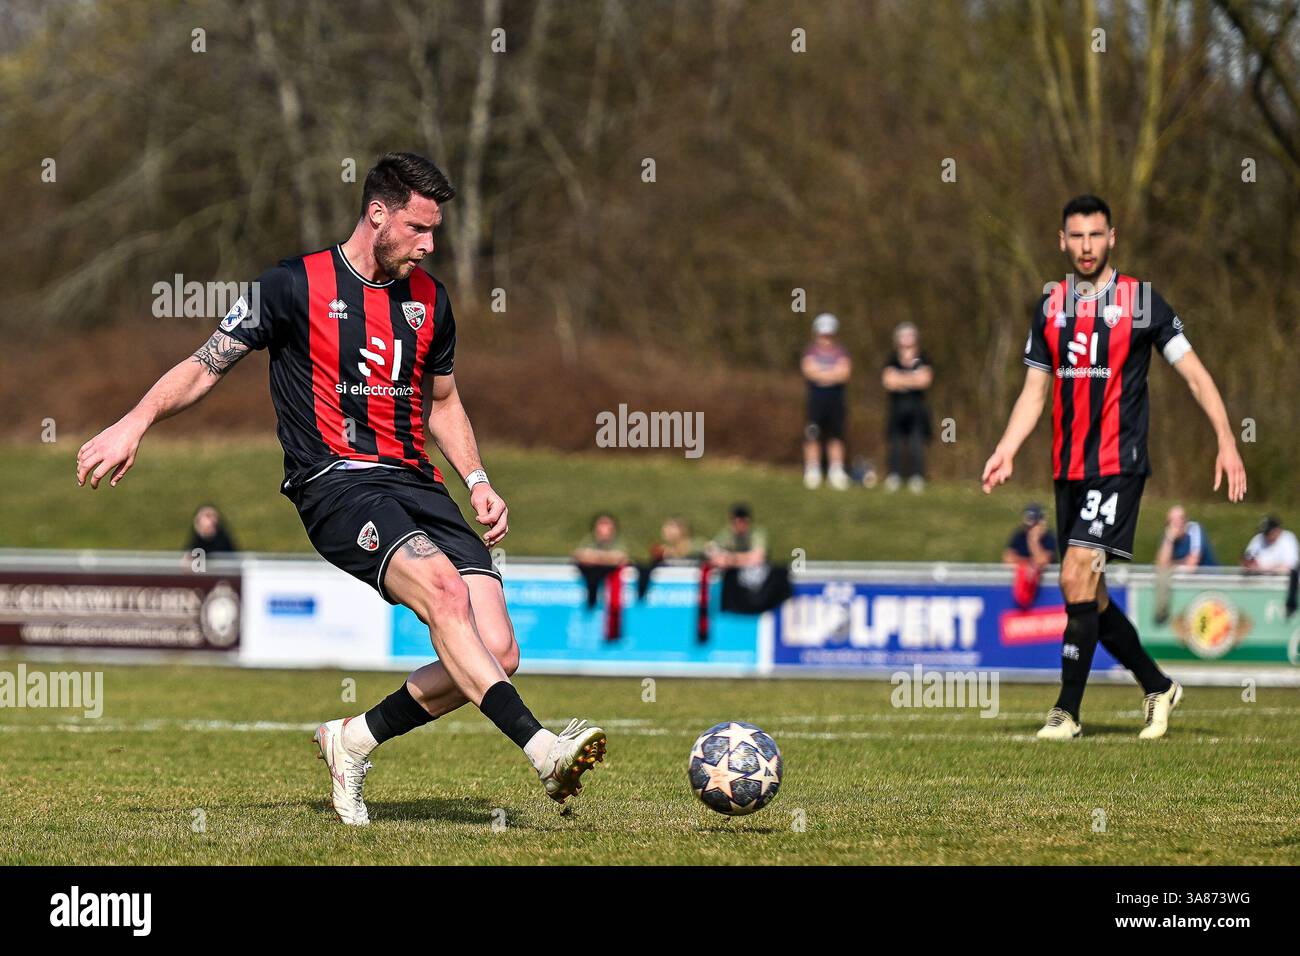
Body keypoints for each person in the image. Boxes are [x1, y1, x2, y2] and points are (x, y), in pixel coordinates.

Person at [75, 152, 606, 825]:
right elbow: (207, 365)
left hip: (417, 482)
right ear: (376, 215)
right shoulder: (291, 285)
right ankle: (542, 750)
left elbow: (442, 401)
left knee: (499, 650)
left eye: (434, 230)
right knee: (444, 592)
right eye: (418, 228)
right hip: (335, 485)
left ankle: (351, 740)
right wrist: (135, 421)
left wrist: (477, 479)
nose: (430, 244)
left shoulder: (430, 301)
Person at [982, 194, 1247, 740]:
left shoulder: (1143, 303)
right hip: (1068, 468)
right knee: (1087, 592)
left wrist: (1226, 438)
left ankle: (1066, 713)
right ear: (1062, 240)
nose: (1086, 246)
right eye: (1076, 236)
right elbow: (1035, 391)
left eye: (1095, 235)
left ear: (1112, 237)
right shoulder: (1050, 305)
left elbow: (1195, 374)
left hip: (1119, 466)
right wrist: (1007, 447)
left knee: (1078, 571)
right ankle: (1157, 685)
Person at [801, 313, 852, 490]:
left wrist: (822, 374)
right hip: (816, 400)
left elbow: (844, 374)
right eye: (823, 334)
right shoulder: (810, 351)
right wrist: (831, 374)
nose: (826, 338)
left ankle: (836, 470)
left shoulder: (841, 352)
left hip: (836, 400)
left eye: (829, 335)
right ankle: (812, 469)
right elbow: (809, 371)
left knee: (836, 435)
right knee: (812, 434)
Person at [881, 322, 933, 493]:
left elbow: (925, 380)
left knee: (917, 442)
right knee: (895, 442)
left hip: (917, 408)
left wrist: (900, 379)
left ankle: (917, 476)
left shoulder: (923, 358)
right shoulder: (892, 359)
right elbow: (888, 381)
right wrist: (912, 379)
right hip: (896, 407)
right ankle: (894, 475)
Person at [1154, 505, 1218, 624]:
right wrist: (1169, 540)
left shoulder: (1195, 529)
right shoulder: (1168, 535)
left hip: (1210, 582)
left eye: (1181, 519)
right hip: (1189, 586)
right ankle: (1162, 613)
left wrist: (1172, 564)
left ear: (1186, 520)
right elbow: (1162, 564)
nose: (1177, 524)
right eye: (1173, 520)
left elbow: (1191, 565)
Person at [573, 512, 629, 609]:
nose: (604, 529)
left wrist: (596, 557)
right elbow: (579, 555)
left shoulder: (618, 543)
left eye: (607, 524)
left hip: (613, 589)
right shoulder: (589, 541)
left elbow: (621, 558)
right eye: (601, 524)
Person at [707, 503, 769, 569]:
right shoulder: (728, 532)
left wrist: (729, 559)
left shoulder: (756, 533)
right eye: (736, 523)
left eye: (742, 522)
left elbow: (758, 557)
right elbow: (710, 549)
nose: (740, 525)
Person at [1003, 503, 1058, 570]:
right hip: (1021, 576)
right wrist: (1030, 563)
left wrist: (1033, 541)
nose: (1031, 528)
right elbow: (1008, 559)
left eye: (1035, 524)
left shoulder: (1049, 537)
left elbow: (1041, 561)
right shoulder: (1020, 535)